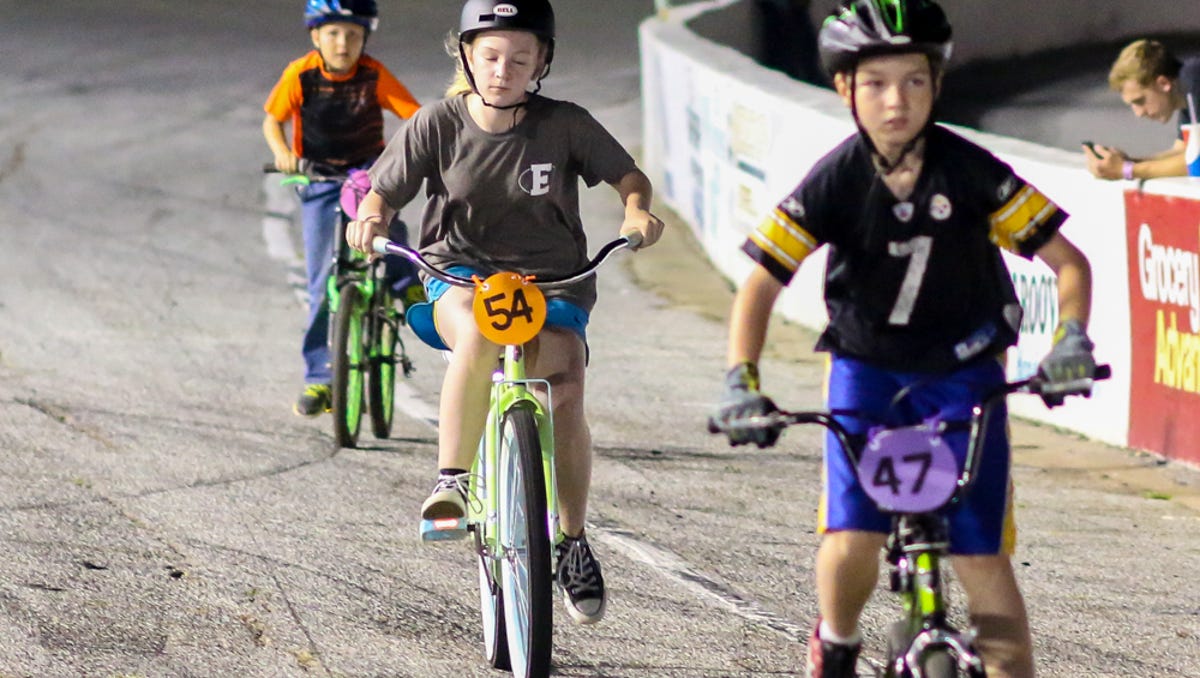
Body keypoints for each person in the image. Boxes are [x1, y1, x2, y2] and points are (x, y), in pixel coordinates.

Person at [708, 1, 1096, 677]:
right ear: (845, 90)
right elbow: (763, 282)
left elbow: (1070, 263)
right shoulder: (836, 178)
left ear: (938, 85)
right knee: (853, 536)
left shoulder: (972, 172)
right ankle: (836, 640)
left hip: (966, 373)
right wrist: (742, 377)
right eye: (878, 83)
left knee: (982, 559)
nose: (897, 101)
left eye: (916, 81)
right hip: (868, 373)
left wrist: (1070, 341)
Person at [344, 0, 664, 625]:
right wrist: (373, 217)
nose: (502, 70)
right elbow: (383, 188)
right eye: (490, 56)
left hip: (554, 282)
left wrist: (634, 211)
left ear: (542, 61)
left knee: (565, 387)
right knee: (478, 335)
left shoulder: (566, 124)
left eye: (520, 58)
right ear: (465, 54)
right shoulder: (436, 123)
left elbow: (629, 176)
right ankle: (452, 485)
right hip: (458, 274)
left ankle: (572, 542)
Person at [262, 0, 422, 417]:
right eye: (333, 33)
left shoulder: (374, 74)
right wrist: (282, 153)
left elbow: (415, 116)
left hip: (367, 174)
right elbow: (272, 119)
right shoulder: (300, 74)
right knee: (321, 281)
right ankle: (319, 379)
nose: (343, 42)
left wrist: (412, 154)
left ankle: (406, 283)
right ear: (315, 36)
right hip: (317, 179)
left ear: (364, 38)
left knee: (385, 227)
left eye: (352, 35)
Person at [1084, 39, 1200, 181]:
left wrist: (1127, 170)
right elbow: (1183, 152)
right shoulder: (1185, 91)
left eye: (1140, 101)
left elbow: (1197, 163)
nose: (1138, 113)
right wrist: (1129, 163)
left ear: (1163, 83)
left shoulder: (1195, 81)